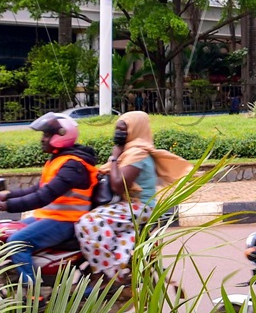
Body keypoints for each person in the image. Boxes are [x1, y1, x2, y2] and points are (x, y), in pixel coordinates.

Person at [75, 111, 193, 283]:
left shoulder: (138, 153)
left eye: (123, 130)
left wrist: (114, 157)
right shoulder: (129, 151)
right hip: (128, 205)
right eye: (117, 129)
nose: (119, 134)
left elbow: (118, 184)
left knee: (88, 221)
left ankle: (111, 271)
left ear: (135, 130)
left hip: (140, 207)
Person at [0, 113, 99, 283]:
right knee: (7, 231)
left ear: (62, 135)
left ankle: (32, 295)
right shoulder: (59, 160)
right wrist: (4, 195)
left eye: (47, 134)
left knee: (16, 242)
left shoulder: (73, 165)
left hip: (66, 221)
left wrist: (7, 205)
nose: (43, 139)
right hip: (49, 217)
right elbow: (37, 189)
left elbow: (43, 196)